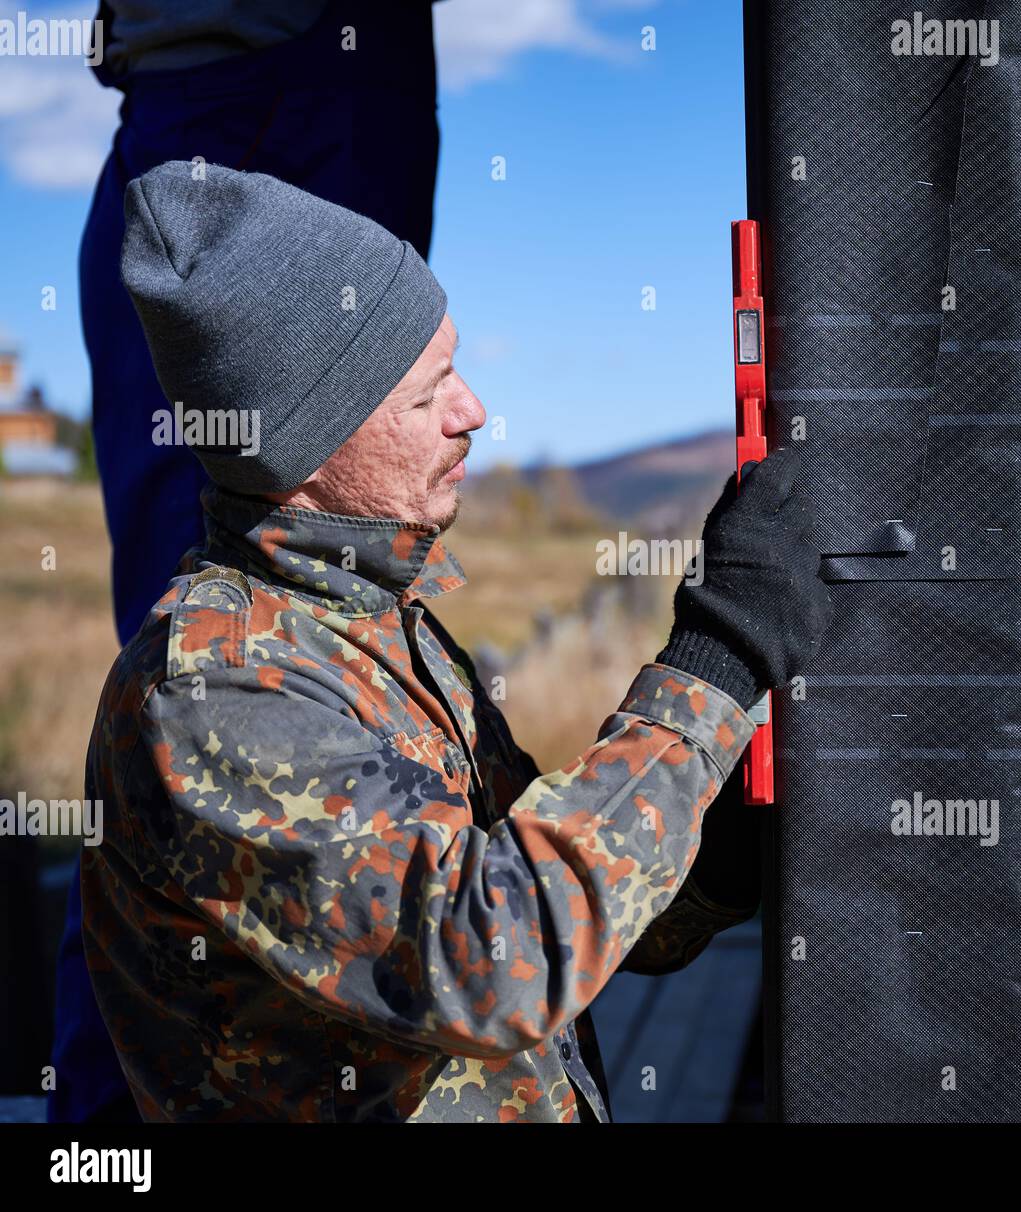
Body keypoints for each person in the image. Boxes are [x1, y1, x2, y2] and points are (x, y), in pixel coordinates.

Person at [80, 162, 830, 1122]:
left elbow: (570, 919)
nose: (472, 408)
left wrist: (718, 845)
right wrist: (714, 666)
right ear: (313, 437)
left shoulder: (380, 629)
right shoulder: (215, 691)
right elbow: (493, 963)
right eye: (429, 388)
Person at [54, 0, 440, 1122]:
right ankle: (116, 1122)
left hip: (296, 65)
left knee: (293, 618)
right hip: (202, 84)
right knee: (201, 658)